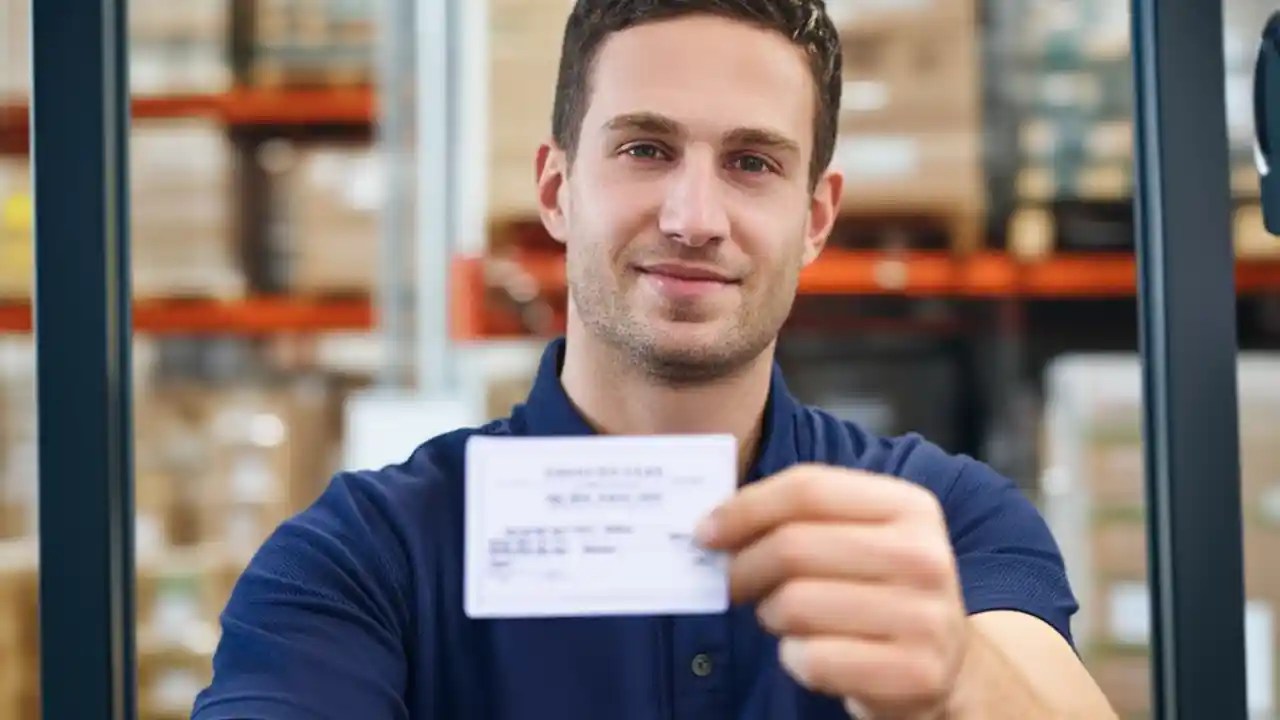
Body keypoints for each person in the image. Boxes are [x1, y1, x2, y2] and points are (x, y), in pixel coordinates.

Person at [193, 1, 1117, 718]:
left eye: (752, 163)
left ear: (818, 218)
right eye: (645, 148)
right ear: (556, 189)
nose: (693, 218)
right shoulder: (366, 556)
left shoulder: (942, 523)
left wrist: (959, 683)